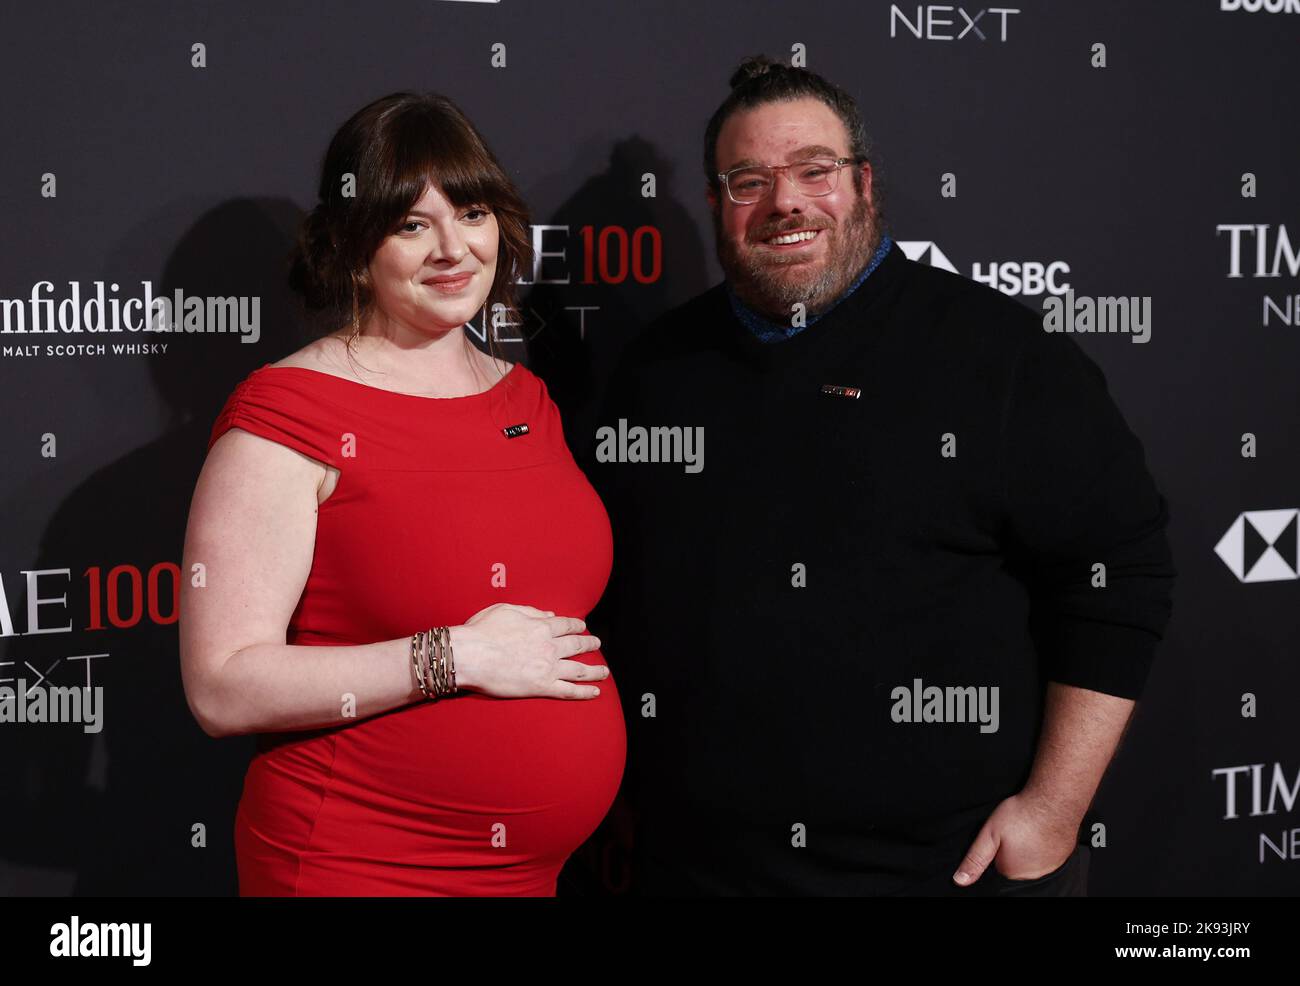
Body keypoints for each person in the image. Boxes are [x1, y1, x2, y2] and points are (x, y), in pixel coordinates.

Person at [589, 57, 1176, 896]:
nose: (785, 201)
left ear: (863, 184)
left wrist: (1053, 810)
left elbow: (1121, 578)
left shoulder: (1002, 356)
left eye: (814, 171)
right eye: (749, 180)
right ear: (717, 205)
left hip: (942, 872)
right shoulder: (659, 367)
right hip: (695, 867)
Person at [179, 91, 625, 896]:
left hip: (529, 878)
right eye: (412, 225)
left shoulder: (526, 396)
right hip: (360, 865)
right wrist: (454, 657)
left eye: (473, 212)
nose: (453, 249)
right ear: (355, 249)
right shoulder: (289, 413)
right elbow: (222, 686)